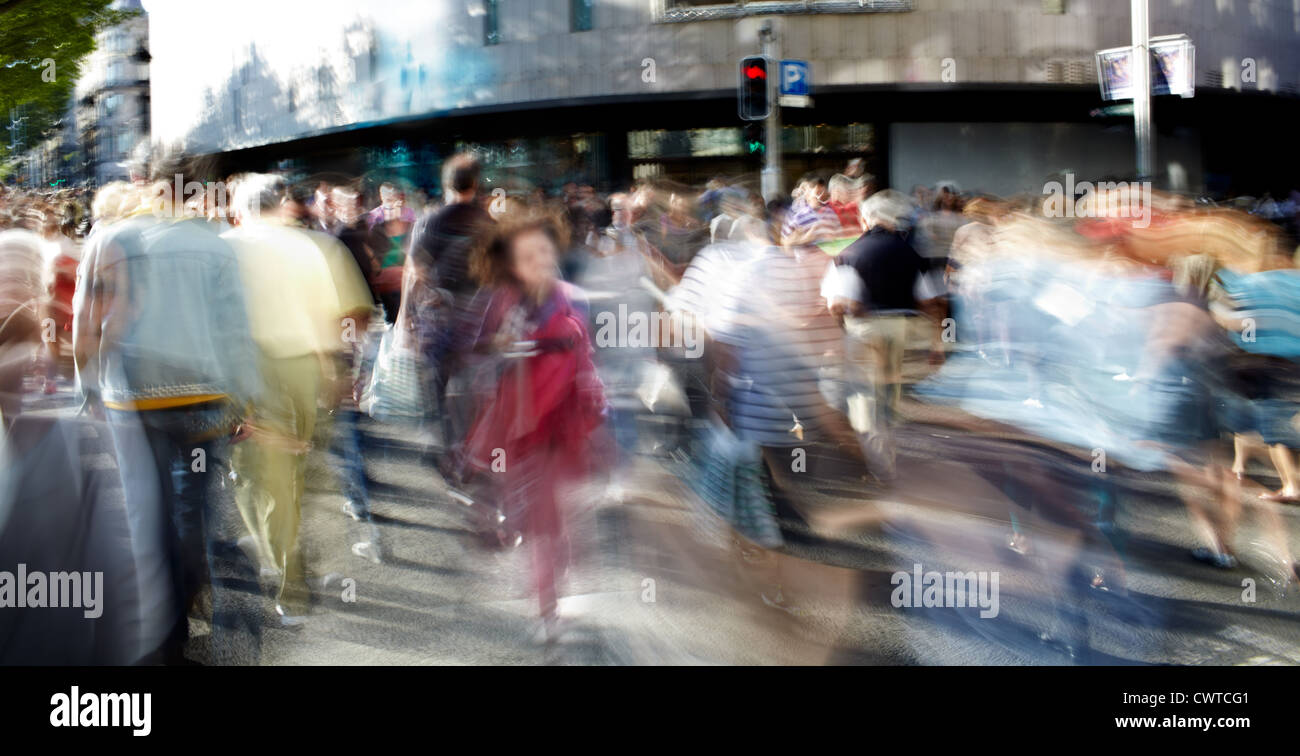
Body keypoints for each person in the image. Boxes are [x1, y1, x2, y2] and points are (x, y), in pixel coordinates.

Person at [74, 169, 263, 663]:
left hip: (133, 398)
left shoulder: (110, 238)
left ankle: (166, 630)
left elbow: (85, 320)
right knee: (193, 507)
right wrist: (246, 397)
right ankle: (187, 595)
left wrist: (87, 387)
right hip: (203, 399)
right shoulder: (217, 244)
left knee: (146, 513)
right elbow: (235, 327)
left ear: (145, 184)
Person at [462, 211, 607, 639]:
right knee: (541, 520)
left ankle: (555, 580)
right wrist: (501, 347)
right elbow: (479, 351)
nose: (540, 260)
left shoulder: (572, 297)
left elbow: (586, 359)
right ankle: (548, 609)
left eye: (544, 250)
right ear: (511, 265)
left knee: (562, 517)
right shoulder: (503, 302)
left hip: (566, 424)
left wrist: (597, 412)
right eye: (527, 256)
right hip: (521, 430)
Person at [833, 189, 929, 481]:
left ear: (866, 218)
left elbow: (838, 303)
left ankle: (876, 465)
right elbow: (930, 299)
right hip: (900, 326)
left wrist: (841, 327)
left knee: (864, 398)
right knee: (890, 395)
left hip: (864, 329)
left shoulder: (848, 253)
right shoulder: (912, 252)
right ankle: (890, 456)